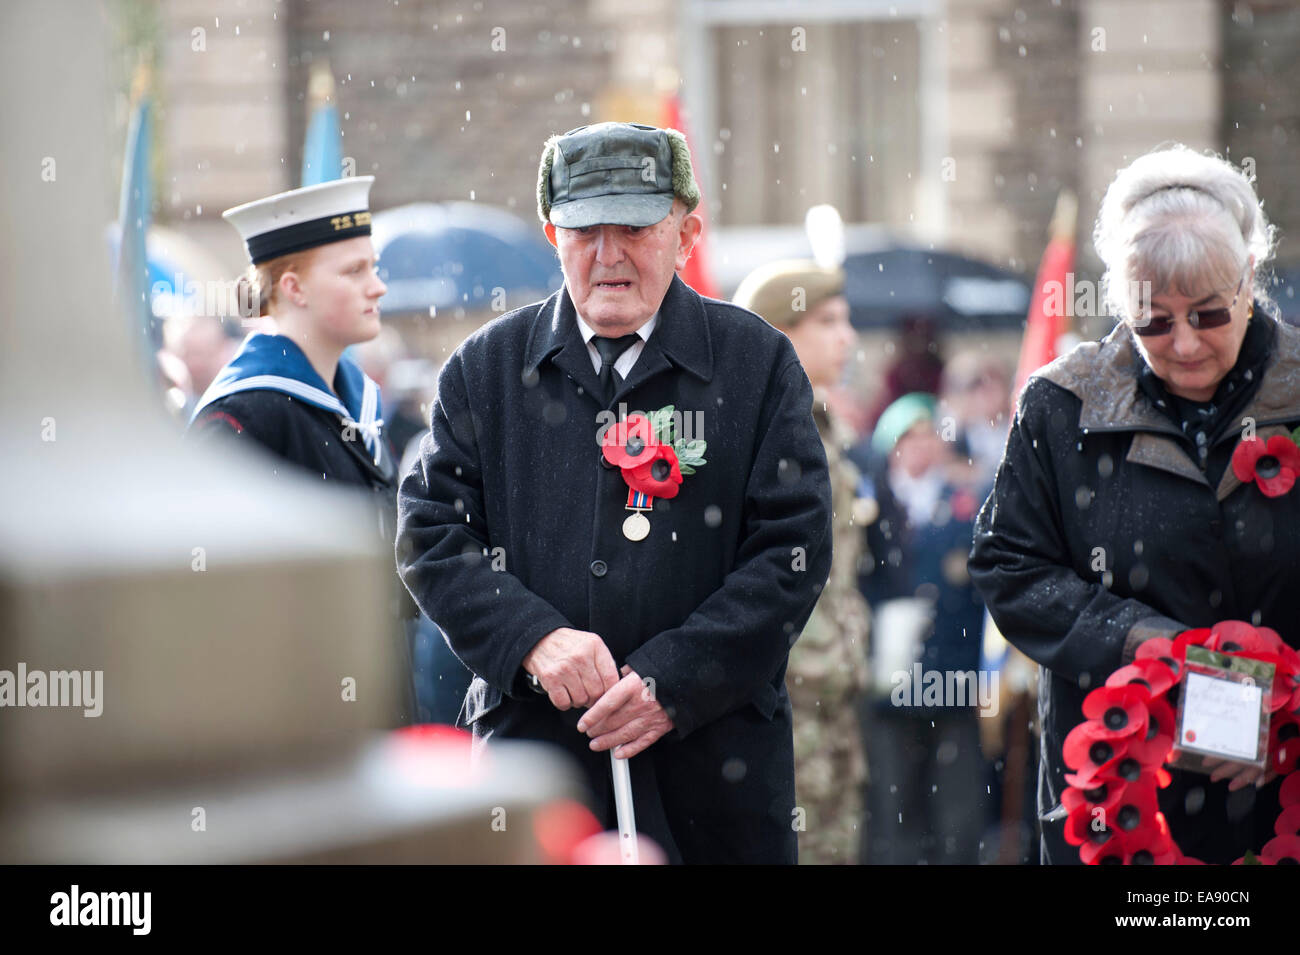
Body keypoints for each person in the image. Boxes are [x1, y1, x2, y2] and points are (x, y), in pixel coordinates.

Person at [395, 122, 833, 864]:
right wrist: (531, 639)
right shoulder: (486, 368)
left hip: (713, 771)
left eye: (634, 227)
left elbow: (792, 547)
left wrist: (677, 676)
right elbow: (430, 535)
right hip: (537, 770)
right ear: (550, 235)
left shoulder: (756, 363)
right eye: (583, 230)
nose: (608, 256)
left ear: (686, 231)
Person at [969, 144, 1298, 864]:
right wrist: (1147, 648)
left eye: (1210, 314)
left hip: (1284, 800)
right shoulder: (1062, 405)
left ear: (1249, 280)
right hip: (1119, 795)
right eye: (1153, 319)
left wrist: (1282, 709)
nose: (1182, 344)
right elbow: (1008, 564)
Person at [187, 176, 414, 725]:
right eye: (354, 271)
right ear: (293, 288)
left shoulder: (355, 399)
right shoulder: (242, 416)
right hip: (299, 722)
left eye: (373, 267)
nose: (377, 287)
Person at [732, 259, 870, 864]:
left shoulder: (826, 425)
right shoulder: (752, 429)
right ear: (782, 330)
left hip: (833, 690)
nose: (849, 337)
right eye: (829, 321)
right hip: (782, 693)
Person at [859, 393, 990, 863]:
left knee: (957, 808)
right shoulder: (864, 501)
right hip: (886, 679)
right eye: (907, 436)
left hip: (953, 677)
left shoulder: (969, 502)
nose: (919, 446)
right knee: (892, 805)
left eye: (928, 434)